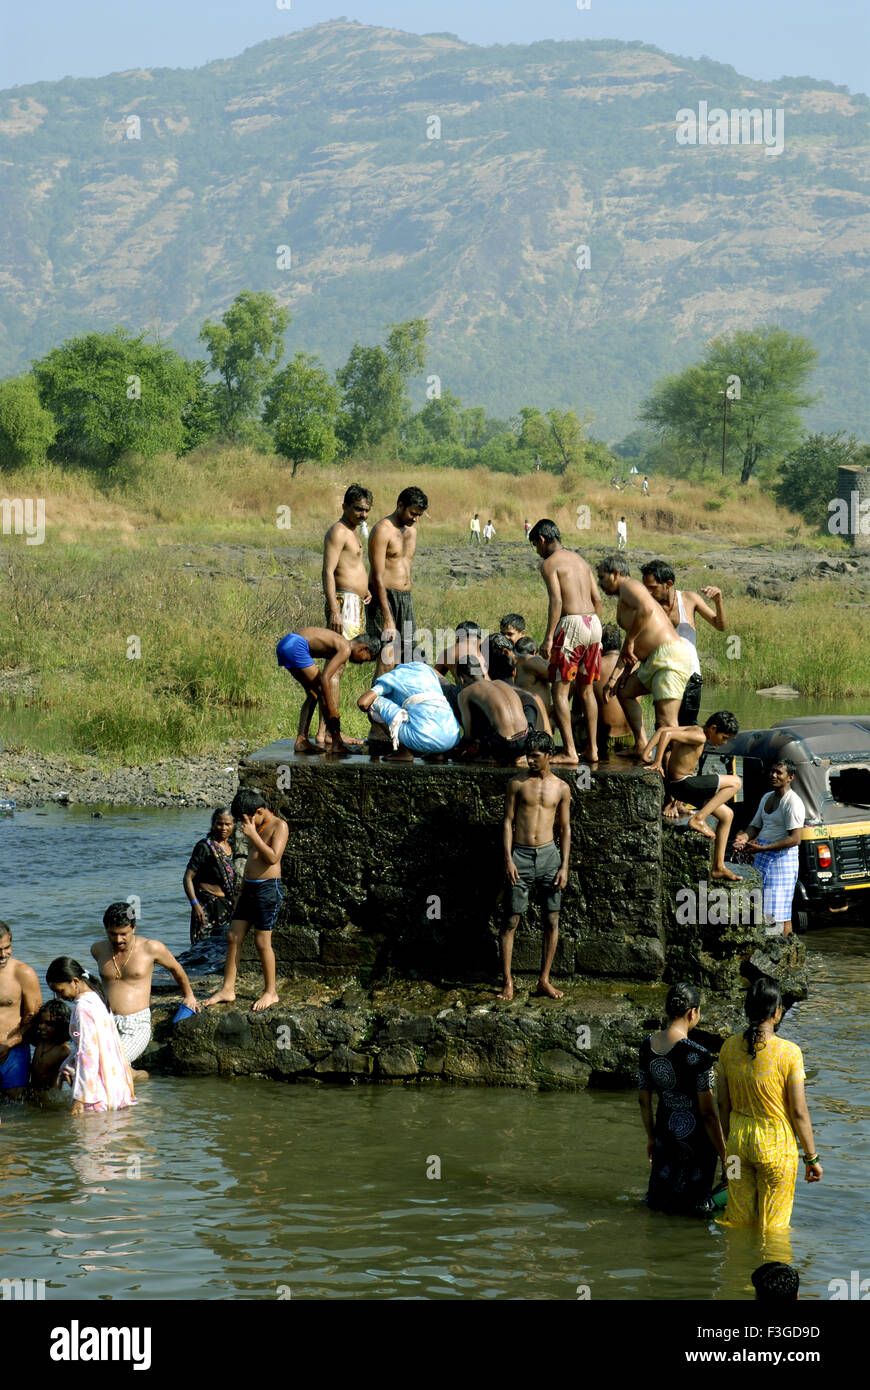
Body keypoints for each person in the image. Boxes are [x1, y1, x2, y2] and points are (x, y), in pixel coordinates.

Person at [717, 978, 822, 1231]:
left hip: (736, 1145)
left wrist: (728, 1149)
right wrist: (811, 1158)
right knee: (774, 1229)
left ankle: (736, 1268)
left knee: (736, 1222)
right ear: (776, 1012)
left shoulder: (728, 1047)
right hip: (776, 1147)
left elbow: (722, 1105)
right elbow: (798, 1112)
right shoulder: (789, 1052)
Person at [637, 982, 727, 1215]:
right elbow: (708, 1114)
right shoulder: (699, 1055)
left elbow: (643, 1100)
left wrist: (650, 1137)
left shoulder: (647, 1046)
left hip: (664, 1132)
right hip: (695, 1140)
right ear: (692, 1012)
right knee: (694, 1207)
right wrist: (726, 1154)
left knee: (660, 1200)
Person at [596, 556, 694, 759]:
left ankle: (678, 770)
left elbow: (647, 610)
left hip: (669, 656)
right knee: (624, 692)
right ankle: (641, 744)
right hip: (654, 660)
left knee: (667, 723)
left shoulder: (629, 586)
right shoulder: (626, 594)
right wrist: (614, 678)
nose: (600, 583)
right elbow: (629, 648)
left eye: (602, 577)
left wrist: (630, 639)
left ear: (616, 573)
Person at [499, 731, 570, 1001]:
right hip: (521, 856)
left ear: (549, 756)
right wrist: (508, 858)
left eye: (535, 756)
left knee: (552, 918)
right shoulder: (516, 784)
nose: (530, 760)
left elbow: (565, 828)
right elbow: (507, 821)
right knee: (511, 920)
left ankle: (544, 979)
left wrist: (564, 866)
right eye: (528, 755)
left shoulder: (561, 788)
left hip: (549, 856)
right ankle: (508, 981)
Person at [204, 788, 289, 1012]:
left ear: (259, 811)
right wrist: (241, 889)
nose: (242, 824)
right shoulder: (255, 825)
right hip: (248, 889)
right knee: (233, 936)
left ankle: (271, 992)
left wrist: (252, 835)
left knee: (262, 942)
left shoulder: (279, 826)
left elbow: (272, 857)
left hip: (267, 890)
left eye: (245, 819)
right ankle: (227, 989)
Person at [92, 902, 200, 1076]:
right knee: (84, 1063)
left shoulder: (151, 948)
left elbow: (176, 969)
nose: (118, 939)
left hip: (136, 1024)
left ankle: (139, 1075)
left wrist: (189, 996)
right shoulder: (98, 950)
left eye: (123, 934)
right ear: (106, 930)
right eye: (113, 934)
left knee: (113, 1064)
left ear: (133, 928)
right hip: (107, 1020)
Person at [529, 519, 603, 765]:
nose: (537, 552)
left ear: (541, 539)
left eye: (536, 546)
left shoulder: (549, 564)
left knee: (559, 691)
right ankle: (592, 750)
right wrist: (595, 629)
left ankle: (570, 752)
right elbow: (598, 599)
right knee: (586, 690)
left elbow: (557, 602)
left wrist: (549, 636)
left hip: (571, 624)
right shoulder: (581, 561)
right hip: (593, 624)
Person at [643, 712, 743, 881]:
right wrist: (657, 762)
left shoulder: (697, 729)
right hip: (685, 784)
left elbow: (664, 730)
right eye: (723, 738)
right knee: (735, 782)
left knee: (727, 815)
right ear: (713, 728)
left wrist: (646, 753)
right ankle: (699, 819)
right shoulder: (699, 736)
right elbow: (667, 734)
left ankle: (718, 867)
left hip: (683, 787)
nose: (723, 743)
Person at [640, 560, 727, 726]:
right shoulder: (648, 607)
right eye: (646, 588)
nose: (649, 593)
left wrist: (718, 601)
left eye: (652, 588)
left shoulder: (689, 599)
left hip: (690, 677)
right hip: (663, 675)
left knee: (687, 727)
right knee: (662, 726)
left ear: (668, 584)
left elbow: (720, 626)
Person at [46, 957, 135, 1115]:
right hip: (114, 1082)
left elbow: (88, 1053)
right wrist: (68, 1066)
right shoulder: (96, 997)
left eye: (60, 991)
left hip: (98, 1090)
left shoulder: (82, 1009)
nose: (59, 997)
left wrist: (80, 1098)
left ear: (75, 981)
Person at [276, 628, 380, 755]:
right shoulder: (346, 648)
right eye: (365, 659)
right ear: (363, 648)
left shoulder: (341, 643)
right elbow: (325, 678)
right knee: (321, 692)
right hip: (296, 645)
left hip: (286, 643)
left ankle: (302, 740)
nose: (361, 663)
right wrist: (331, 707)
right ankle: (337, 742)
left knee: (313, 694)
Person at [733, 762, 806, 937]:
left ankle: (782, 950)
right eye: (772, 772)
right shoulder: (767, 797)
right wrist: (744, 838)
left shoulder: (793, 802)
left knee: (779, 913)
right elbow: (755, 825)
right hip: (762, 854)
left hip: (782, 860)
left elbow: (795, 839)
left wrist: (763, 847)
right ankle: (779, 951)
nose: (773, 775)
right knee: (765, 905)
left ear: (790, 777)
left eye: (778, 773)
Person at [367, 487, 428, 670]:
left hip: (405, 598)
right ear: (400, 505)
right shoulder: (382, 530)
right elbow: (376, 575)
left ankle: (401, 698)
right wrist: (387, 617)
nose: (415, 519)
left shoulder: (412, 532)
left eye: (419, 515)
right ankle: (376, 698)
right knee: (388, 653)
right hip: (384, 596)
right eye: (412, 513)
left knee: (409, 653)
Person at [358, 661, 462, 762]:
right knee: (431, 707)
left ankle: (403, 752)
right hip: (453, 737)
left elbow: (363, 702)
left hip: (422, 738)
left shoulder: (396, 676)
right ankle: (438, 754)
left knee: (374, 703)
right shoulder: (428, 673)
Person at [322, 484, 373, 641]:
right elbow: (328, 571)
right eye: (359, 509)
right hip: (343, 601)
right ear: (345, 507)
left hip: (356, 601)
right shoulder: (339, 531)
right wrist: (334, 609)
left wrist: (365, 589)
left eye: (366, 511)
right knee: (339, 652)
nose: (363, 515)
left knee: (349, 652)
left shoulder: (352, 531)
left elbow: (352, 565)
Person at [0, 921, 42, 1100]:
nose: (3, 954)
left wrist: (8, 1045)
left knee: (15, 1101)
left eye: (7, 947)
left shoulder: (23, 973)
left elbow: (35, 1018)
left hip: (12, 1050)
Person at [183, 807, 236, 946]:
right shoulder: (205, 847)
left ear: (233, 825)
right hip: (205, 908)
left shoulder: (234, 847)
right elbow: (188, 878)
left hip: (226, 908)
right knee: (202, 950)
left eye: (228, 824)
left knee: (222, 950)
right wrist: (195, 904)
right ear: (213, 824)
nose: (223, 828)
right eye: (219, 823)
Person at [457, 678, 539, 765]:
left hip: (502, 745)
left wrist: (458, 750)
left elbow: (468, 736)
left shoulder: (464, 693)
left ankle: (490, 755)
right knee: (527, 700)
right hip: (526, 740)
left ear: (461, 679)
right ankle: (518, 755)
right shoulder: (500, 683)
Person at [486, 636, 552, 735]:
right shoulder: (496, 670)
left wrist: (557, 710)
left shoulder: (530, 662)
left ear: (505, 652)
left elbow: (565, 679)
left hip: (538, 734)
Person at [27, 1000, 71, 1092]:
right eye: (41, 1022)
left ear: (61, 1025)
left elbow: (72, 1076)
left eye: (49, 1024)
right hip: (32, 1090)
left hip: (48, 1095)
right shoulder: (40, 1040)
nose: (42, 1027)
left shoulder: (63, 1050)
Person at [435, 620, 490, 690]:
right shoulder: (488, 645)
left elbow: (434, 677)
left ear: (458, 637)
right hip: (493, 692)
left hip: (465, 694)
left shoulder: (448, 652)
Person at [513, 636, 553, 716]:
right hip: (535, 716)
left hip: (530, 715)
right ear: (535, 652)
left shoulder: (516, 662)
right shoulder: (532, 662)